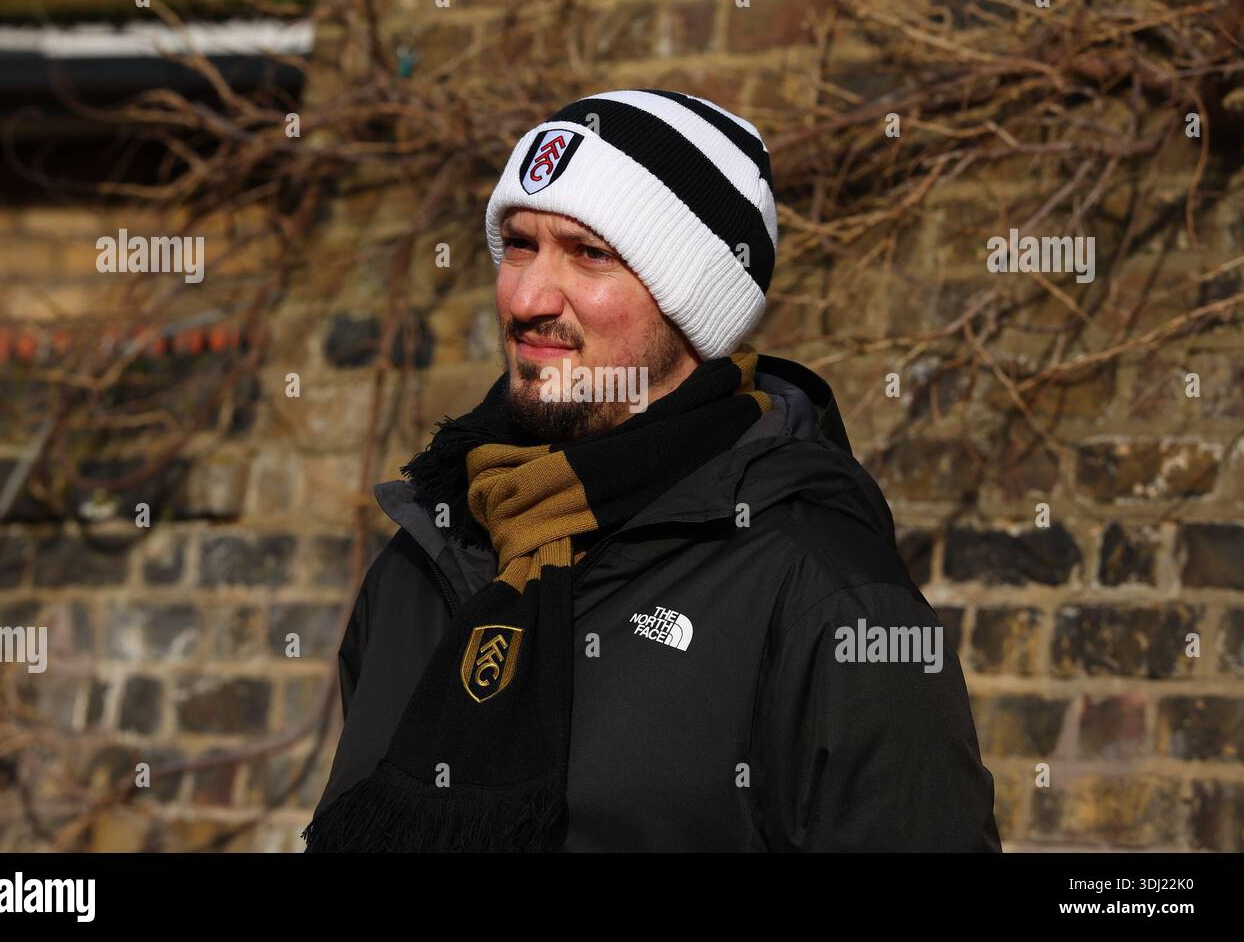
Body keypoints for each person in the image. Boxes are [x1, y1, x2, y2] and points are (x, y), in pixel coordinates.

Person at [303, 89, 1001, 852]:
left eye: (590, 253)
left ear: (693, 304)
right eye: (520, 244)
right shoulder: (430, 556)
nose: (528, 295)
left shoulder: (824, 598)